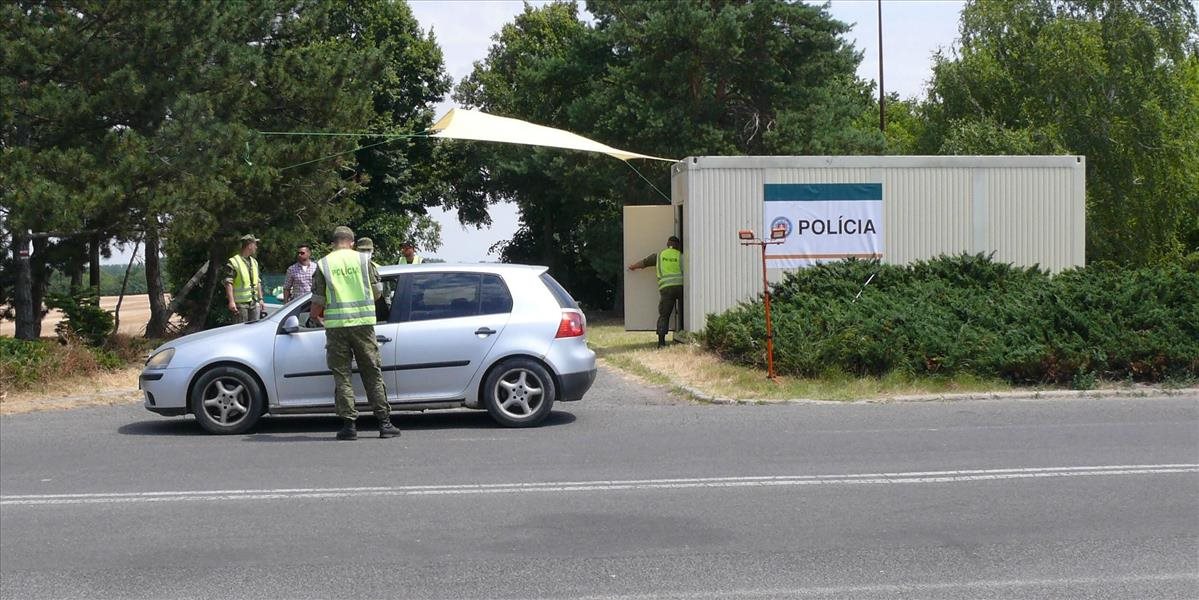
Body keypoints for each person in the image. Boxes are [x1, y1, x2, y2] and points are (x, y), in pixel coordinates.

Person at [310, 226, 400, 441]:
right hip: (363, 325)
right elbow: (378, 292)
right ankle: (384, 424)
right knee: (372, 372)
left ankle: (349, 426)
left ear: (333, 243)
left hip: (336, 328)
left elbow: (318, 301)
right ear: (351, 242)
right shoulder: (362, 260)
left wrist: (316, 317)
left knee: (342, 375)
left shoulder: (324, 264)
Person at [627, 235, 683, 348]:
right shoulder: (681, 256)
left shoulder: (659, 256)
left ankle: (661, 343)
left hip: (666, 289)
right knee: (684, 313)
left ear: (667, 244)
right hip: (681, 288)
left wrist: (633, 266)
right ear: (678, 245)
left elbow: (644, 263)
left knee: (664, 315)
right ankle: (684, 334)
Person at [223, 234, 265, 323]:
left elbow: (258, 282)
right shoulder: (234, 262)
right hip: (240, 305)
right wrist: (231, 302)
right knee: (240, 331)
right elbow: (228, 283)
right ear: (249, 246)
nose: (256, 247)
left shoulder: (254, 262)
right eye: (255, 245)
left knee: (254, 330)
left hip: (254, 303)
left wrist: (260, 299)